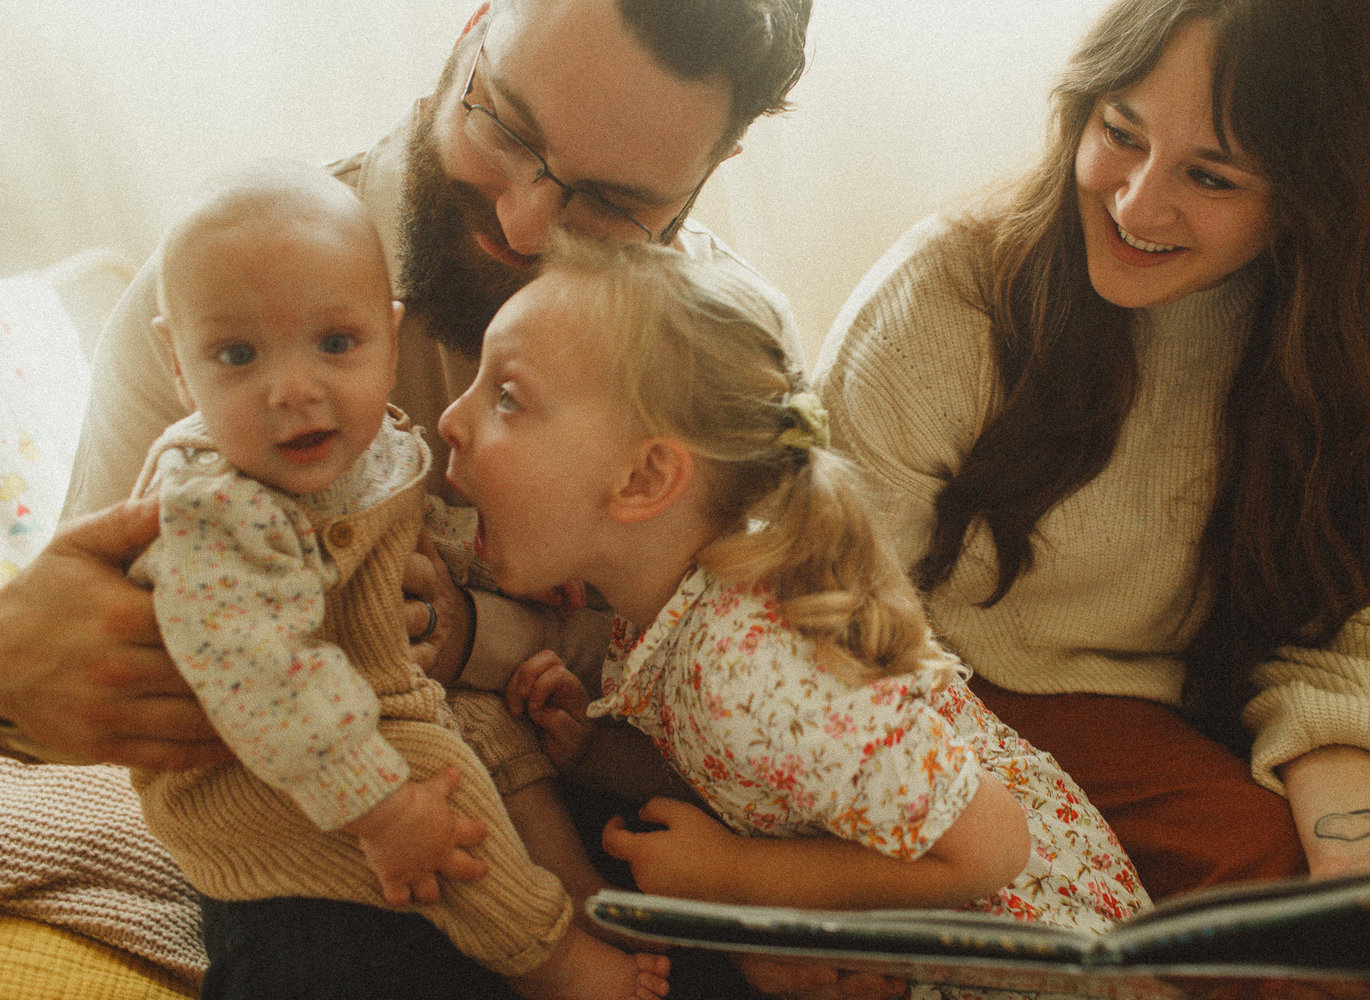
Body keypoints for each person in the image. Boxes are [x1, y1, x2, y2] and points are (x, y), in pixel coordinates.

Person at [0, 2, 819, 996]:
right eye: (505, 125)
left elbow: (740, 671)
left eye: (612, 200)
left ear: (711, 169)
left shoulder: (730, 362)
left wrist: (482, 634)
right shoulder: (226, 299)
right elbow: (100, 662)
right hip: (318, 807)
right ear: (472, 29)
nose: (523, 221)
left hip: (568, 772)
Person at [813, 0, 1370, 995]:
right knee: (1274, 913)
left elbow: (1347, 641)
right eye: (1120, 133)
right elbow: (830, 631)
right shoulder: (947, 294)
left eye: (1210, 177)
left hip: (1243, 665)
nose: (1135, 206)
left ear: (1309, 198)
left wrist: (1366, 867)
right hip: (1003, 685)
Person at [440, 232, 1151, 969]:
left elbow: (993, 848)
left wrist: (729, 874)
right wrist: (594, 754)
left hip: (1041, 951)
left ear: (644, 480)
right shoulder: (670, 607)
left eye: (508, 397)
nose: (449, 420)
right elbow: (760, 779)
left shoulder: (753, 662)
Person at [127, 161, 669, 1000]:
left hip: (386, 694)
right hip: (257, 767)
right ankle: (551, 959)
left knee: (497, 723)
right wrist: (381, 809)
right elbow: (263, 679)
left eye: (336, 345)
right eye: (237, 355)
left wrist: (505, 569)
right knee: (442, 790)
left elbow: (416, 529)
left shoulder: (372, 444)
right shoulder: (210, 508)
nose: (294, 390)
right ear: (177, 363)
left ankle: (574, 886)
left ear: (387, 336)